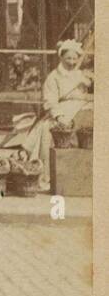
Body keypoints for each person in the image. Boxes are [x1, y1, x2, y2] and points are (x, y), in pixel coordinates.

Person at [23, 39, 93, 188]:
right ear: (61, 57)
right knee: (48, 131)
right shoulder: (53, 77)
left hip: (80, 109)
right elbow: (50, 102)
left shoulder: (80, 75)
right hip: (60, 111)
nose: (72, 62)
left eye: (75, 58)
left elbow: (86, 93)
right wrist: (59, 116)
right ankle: (50, 175)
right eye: (68, 58)